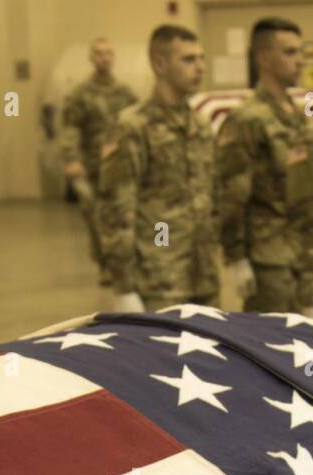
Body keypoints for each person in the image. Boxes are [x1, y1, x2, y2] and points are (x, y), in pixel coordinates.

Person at [218, 17, 313, 323]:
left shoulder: (297, 115)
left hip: (304, 257)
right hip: (269, 260)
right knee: (272, 352)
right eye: (290, 53)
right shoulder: (248, 119)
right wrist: (236, 257)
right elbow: (232, 194)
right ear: (264, 58)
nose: (299, 62)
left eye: (301, 53)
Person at [96, 26, 219, 312]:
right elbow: (116, 211)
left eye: (202, 59)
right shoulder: (132, 126)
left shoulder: (200, 125)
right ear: (160, 64)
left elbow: (212, 198)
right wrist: (123, 286)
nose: (200, 67)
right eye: (188, 60)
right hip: (159, 278)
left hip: (204, 277)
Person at [60, 39, 138, 286]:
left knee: (124, 214)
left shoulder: (125, 92)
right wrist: (72, 159)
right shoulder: (80, 94)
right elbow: (70, 128)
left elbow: (137, 123)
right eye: (98, 54)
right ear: (91, 58)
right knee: (94, 215)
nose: (104, 58)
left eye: (108, 53)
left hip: (121, 165)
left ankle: (127, 262)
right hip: (92, 166)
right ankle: (104, 263)